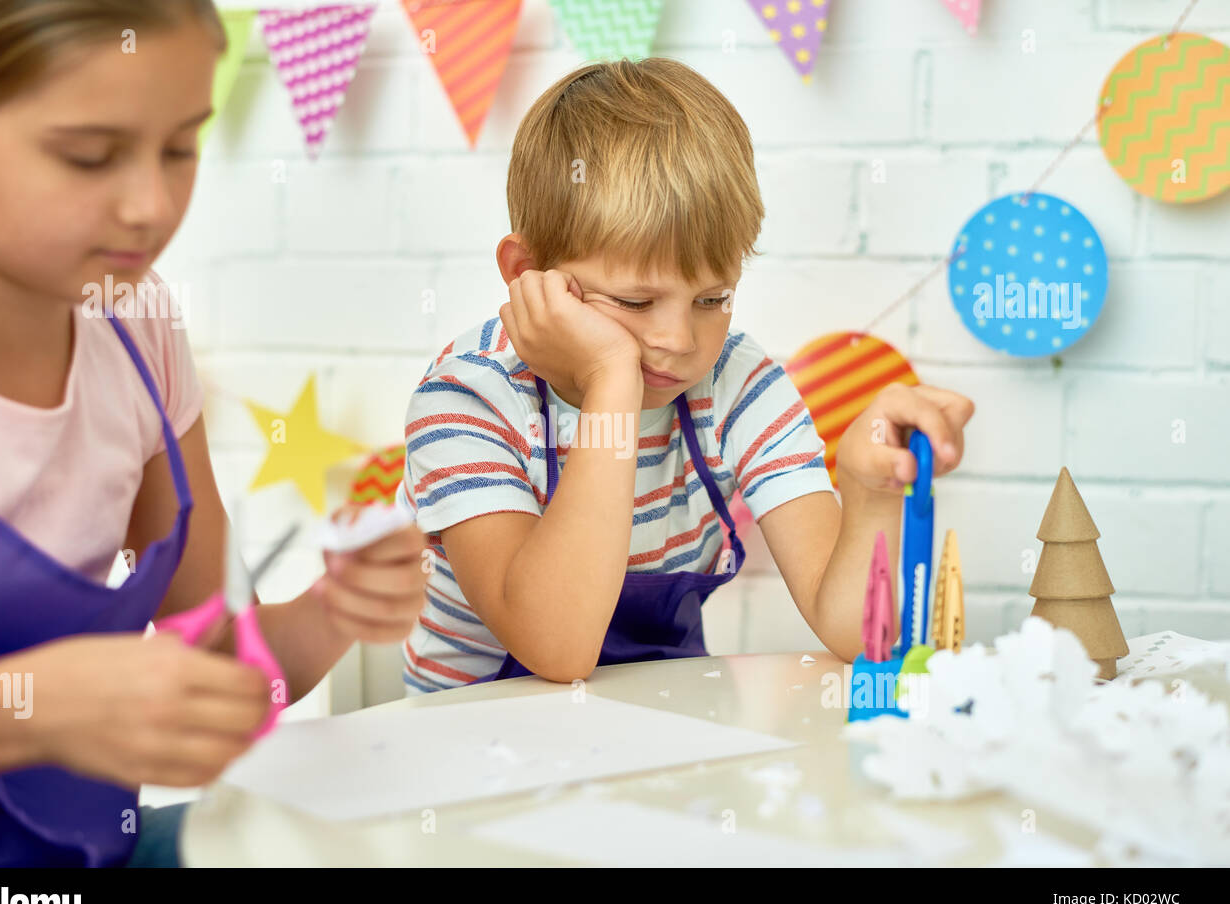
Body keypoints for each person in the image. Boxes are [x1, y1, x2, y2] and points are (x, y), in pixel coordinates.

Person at [0, 0, 427, 866]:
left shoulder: (139, 320)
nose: (150, 206)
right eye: (90, 155)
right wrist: (28, 708)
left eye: (180, 146)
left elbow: (229, 665)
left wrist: (332, 610)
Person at [400, 58, 975, 694]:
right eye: (636, 303)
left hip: (667, 728)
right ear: (526, 272)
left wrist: (870, 495)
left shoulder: (736, 381)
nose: (678, 340)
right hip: (478, 745)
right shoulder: (469, 399)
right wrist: (611, 379)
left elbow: (853, 633)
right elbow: (557, 649)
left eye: (711, 299)